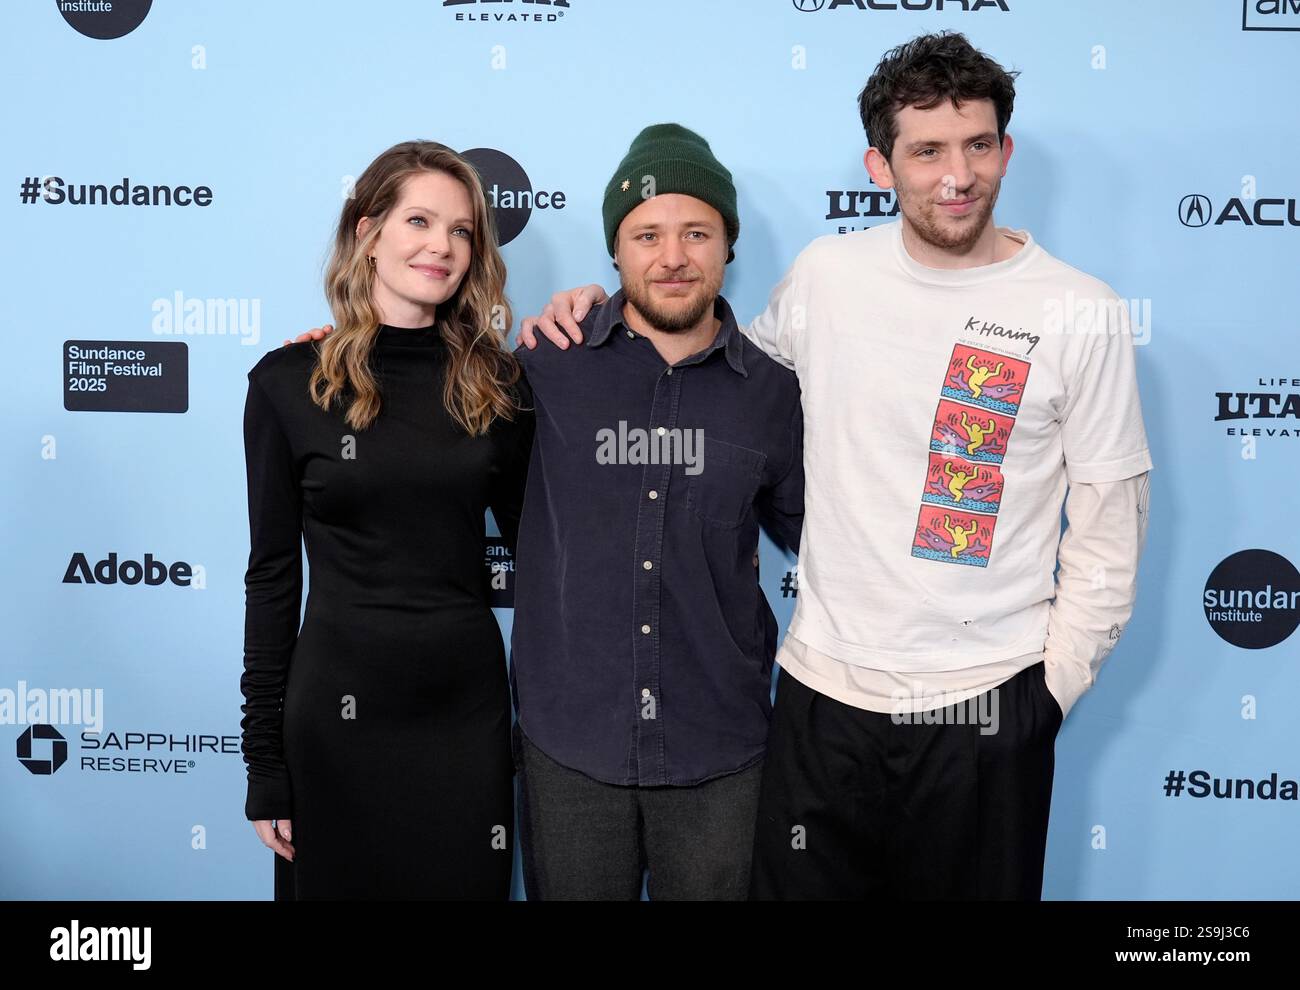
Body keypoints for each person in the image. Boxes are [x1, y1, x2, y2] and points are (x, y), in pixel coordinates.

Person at [521, 33, 1153, 900]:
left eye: (977, 145)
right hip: (823, 700)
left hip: (987, 698)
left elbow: (1113, 522)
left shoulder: (1082, 311)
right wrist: (599, 308)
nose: (955, 176)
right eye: (926, 150)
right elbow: (711, 366)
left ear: (1006, 150)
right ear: (880, 163)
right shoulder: (828, 277)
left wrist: (1048, 695)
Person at [512, 123, 803, 899]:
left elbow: (832, 538)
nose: (672, 257)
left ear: (728, 246)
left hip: (721, 749)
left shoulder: (775, 395)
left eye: (696, 232)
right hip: (571, 744)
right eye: (647, 234)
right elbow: (423, 426)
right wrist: (337, 351)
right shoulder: (548, 361)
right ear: (616, 250)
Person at [241, 140, 533, 899]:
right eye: (419, 221)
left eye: (462, 230)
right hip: (333, 725)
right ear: (368, 232)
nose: (442, 244)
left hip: (462, 722)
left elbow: (548, 546)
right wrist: (265, 765)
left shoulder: (500, 386)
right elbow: (272, 581)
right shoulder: (286, 384)